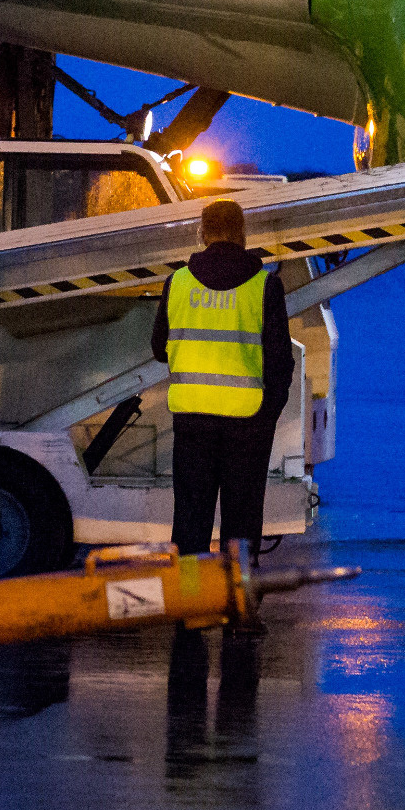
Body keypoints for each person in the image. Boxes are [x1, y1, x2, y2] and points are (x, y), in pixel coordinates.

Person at [154, 196, 291, 561]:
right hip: (247, 423)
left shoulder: (177, 283)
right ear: (242, 234)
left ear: (203, 233)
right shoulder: (265, 286)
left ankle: (190, 608)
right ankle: (240, 610)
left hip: (192, 421)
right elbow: (281, 362)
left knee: (190, 520)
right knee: (242, 524)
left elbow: (157, 347)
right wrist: (267, 414)